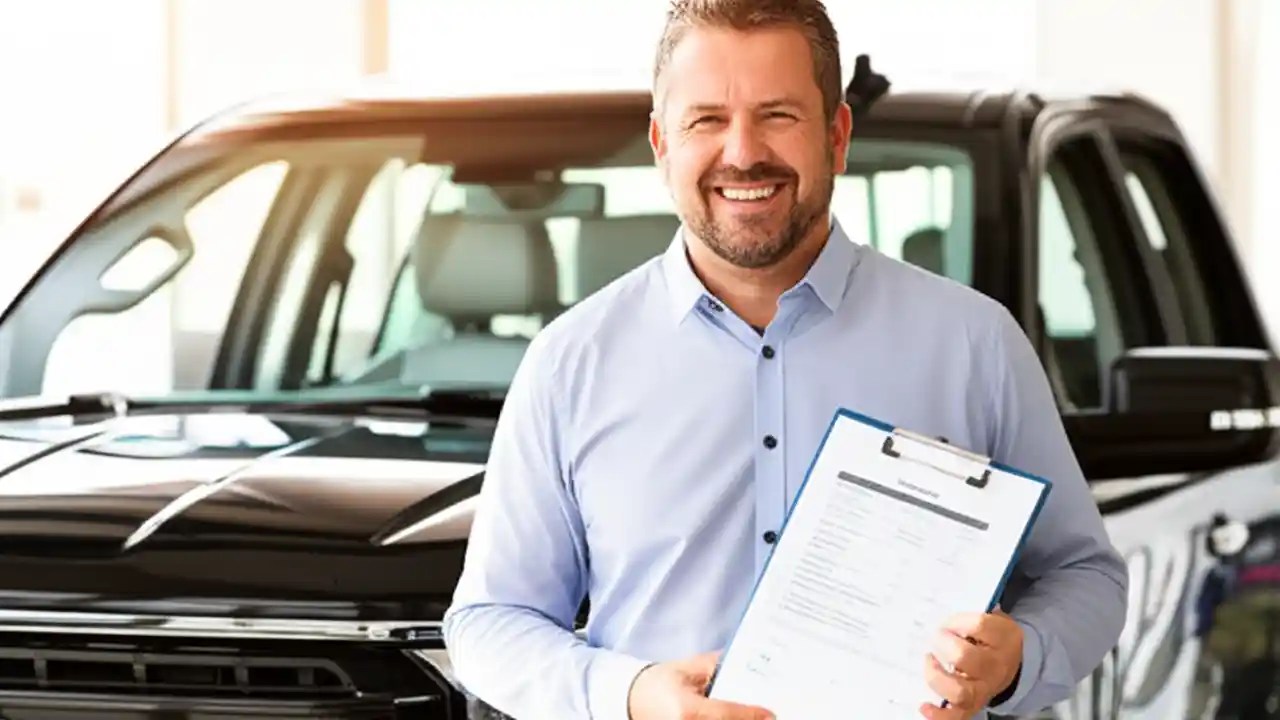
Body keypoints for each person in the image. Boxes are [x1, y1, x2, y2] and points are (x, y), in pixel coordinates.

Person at [442, 0, 1129, 718]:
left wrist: (1018, 656)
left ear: (836, 135)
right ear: (661, 142)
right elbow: (490, 621)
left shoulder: (973, 344)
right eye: (706, 119)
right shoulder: (569, 363)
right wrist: (634, 695)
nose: (742, 153)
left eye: (777, 115)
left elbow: (1084, 576)